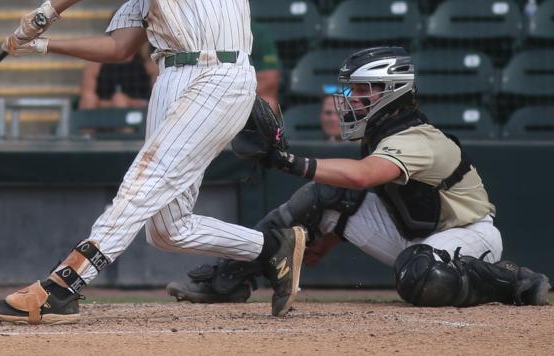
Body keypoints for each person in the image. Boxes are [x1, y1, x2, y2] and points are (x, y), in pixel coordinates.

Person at [0, 0, 306, 324]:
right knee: (167, 229)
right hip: (170, 78)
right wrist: (43, 45)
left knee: (144, 178)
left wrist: (49, 10)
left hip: (218, 71)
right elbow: (118, 47)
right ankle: (273, 247)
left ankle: (65, 285)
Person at [167, 47, 550, 308]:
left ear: (392, 92)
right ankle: (229, 278)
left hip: (469, 235)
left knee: (420, 275)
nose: (351, 98)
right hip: (414, 235)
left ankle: (511, 280)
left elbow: (367, 176)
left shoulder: (419, 138)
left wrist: (288, 161)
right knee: (325, 193)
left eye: (364, 90)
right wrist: (328, 238)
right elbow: (357, 196)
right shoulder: (380, 135)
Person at [78, 42, 158, 109]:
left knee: (120, 102)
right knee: (88, 100)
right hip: (105, 111)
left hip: (138, 113)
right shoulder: (96, 66)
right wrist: (111, 103)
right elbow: (87, 96)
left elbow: (156, 100)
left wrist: (129, 102)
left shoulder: (149, 66)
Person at [249, 22, 281, 112]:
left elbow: (271, 80)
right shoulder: (213, 29)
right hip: (217, 97)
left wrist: (240, 93)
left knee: (268, 102)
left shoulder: (256, 31)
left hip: (250, 96)